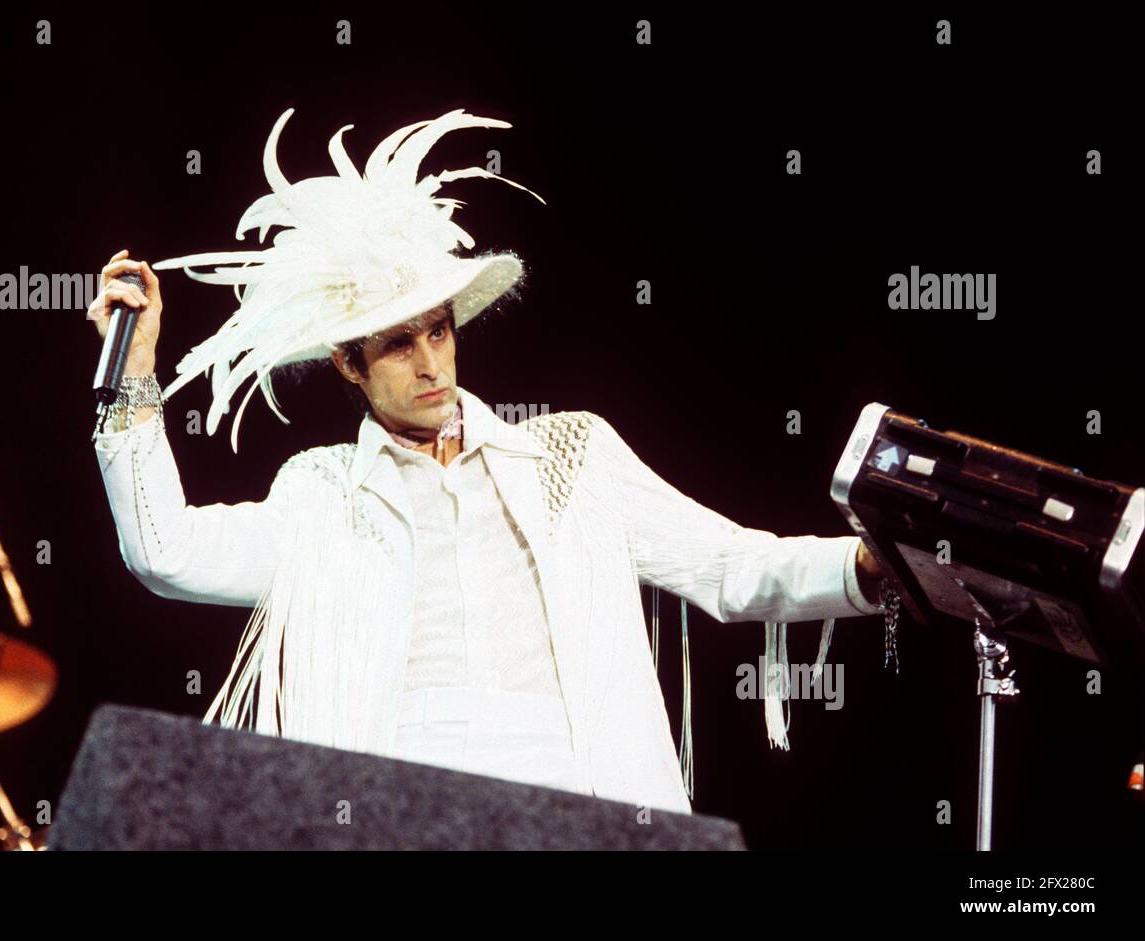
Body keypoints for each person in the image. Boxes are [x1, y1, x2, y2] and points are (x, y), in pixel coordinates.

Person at [87, 109, 885, 814]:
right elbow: (167, 552)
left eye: (439, 330)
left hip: (576, 796)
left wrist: (865, 565)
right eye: (399, 343)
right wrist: (135, 372)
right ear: (348, 365)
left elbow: (729, 566)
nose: (431, 361)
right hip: (400, 801)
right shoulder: (323, 494)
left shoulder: (568, 456)